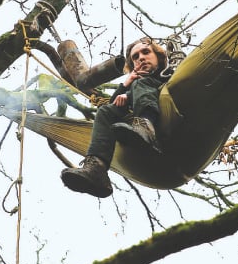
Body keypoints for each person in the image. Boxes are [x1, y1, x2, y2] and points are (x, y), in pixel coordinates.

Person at [61, 37, 171, 198]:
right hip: (138, 131)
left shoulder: (169, 73)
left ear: (158, 56)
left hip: (168, 119)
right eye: (135, 57)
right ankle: (96, 169)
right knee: (105, 111)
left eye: (146, 52)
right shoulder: (136, 84)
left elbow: (173, 89)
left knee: (141, 85)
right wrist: (127, 85)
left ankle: (145, 127)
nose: (141, 57)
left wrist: (130, 93)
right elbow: (111, 108)